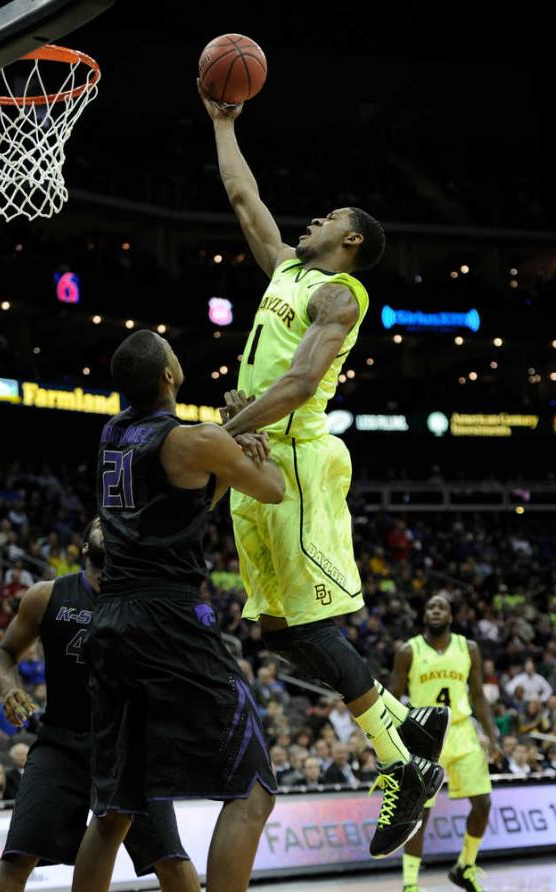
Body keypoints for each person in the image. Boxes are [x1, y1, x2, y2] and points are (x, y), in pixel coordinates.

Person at [197, 80, 447, 857]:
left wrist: (223, 429)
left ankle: (402, 763)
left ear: (350, 243)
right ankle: (405, 723)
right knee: (272, 629)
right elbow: (244, 198)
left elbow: (302, 384)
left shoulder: (342, 293)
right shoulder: (285, 272)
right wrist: (223, 122)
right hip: (255, 453)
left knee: (307, 623)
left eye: (329, 219)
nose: (312, 220)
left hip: (293, 460)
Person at [72, 330, 285, 892]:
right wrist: (252, 440)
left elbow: (186, 498)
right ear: (168, 375)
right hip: (167, 620)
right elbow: (273, 489)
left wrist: (226, 446)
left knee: (115, 810)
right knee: (254, 785)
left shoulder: (113, 431)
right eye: (173, 349)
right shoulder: (194, 440)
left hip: (112, 618)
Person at [0, 517, 200, 892]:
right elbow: (4, 653)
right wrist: (7, 688)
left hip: (128, 747)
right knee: (16, 857)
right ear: (86, 547)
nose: (109, 525)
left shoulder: (147, 602)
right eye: (101, 524)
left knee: (170, 858)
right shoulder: (45, 595)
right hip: (61, 744)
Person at [391, 594, 503, 892]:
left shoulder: (469, 648)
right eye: (431, 607)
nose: (436, 611)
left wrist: (493, 736)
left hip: (462, 731)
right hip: (425, 735)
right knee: (419, 812)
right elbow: (391, 698)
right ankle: (410, 884)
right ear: (424, 615)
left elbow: (478, 695)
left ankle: (464, 867)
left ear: (451, 616)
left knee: (483, 803)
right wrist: (391, 740)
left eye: (442, 607)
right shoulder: (408, 651)